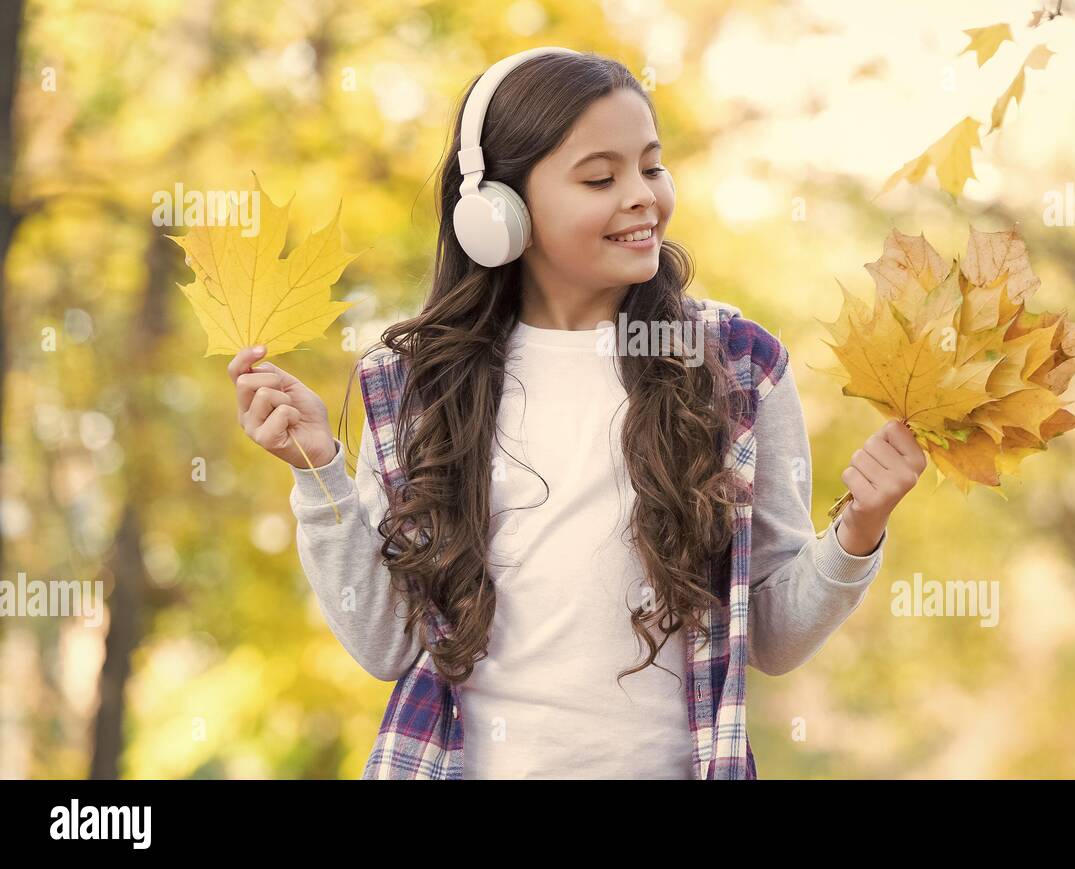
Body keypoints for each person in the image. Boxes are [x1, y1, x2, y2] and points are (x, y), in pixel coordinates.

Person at [226, 48, 925, 779]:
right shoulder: (414, 383)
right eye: (601, 177)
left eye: (652, 168)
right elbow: (385, 644)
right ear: (498, 212)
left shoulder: (737, 367)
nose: (642, 197)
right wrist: (319, 474)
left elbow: (774, 637)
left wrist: (857, 530)